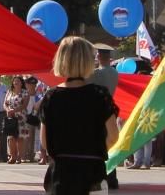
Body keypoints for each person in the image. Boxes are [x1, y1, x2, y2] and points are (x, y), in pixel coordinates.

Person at [39, 37, 120, 195]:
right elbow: (113, 136)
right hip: (93, 172)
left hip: (61, 173)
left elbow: (45, 141)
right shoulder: (100, 95)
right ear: (88, 61)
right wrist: (94, 150)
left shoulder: (51, 97)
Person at [90, 50, 120, 189]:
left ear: (100, 56)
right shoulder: (114, 72)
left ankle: (104, 175)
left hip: (98, 110)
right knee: (109, 145)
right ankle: (112, 177)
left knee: (100, 145)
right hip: (111, 107)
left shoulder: (98, 73)